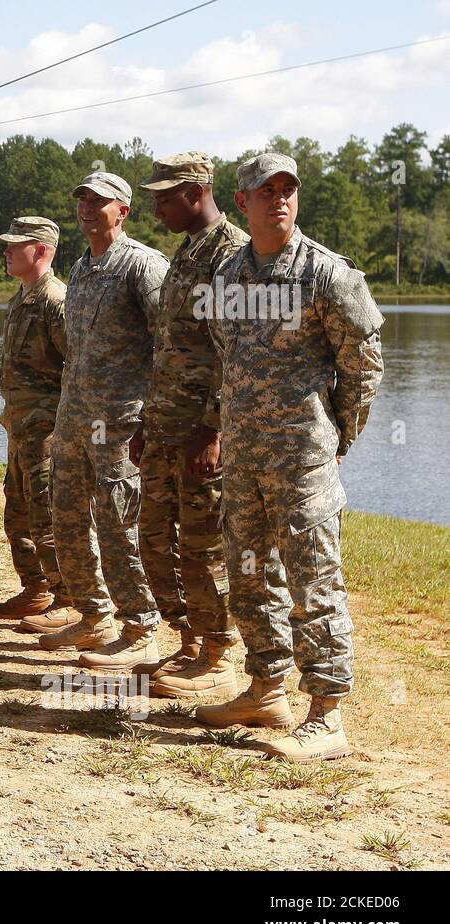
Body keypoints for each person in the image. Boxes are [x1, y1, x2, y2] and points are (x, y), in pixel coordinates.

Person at [196, 153, 383, 762]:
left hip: (303, 457)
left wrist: (338, 438)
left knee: (313, 580)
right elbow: (227, 357)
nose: (279, 199)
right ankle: (265, 689)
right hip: (244, 456)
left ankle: (327, 714)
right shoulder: (226, 275)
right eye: (265, 190)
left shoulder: (327, 274)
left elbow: (363, 362)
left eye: (288, 189)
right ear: (241, 200)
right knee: (250, 575)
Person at [36, 171, 168, 671]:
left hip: (121, 421)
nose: (88, 208)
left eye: (100, 201)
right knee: (66, 514)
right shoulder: (84, 269)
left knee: (118, 522)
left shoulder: (143, 266)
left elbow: (169, 345)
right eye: (83, 200)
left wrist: (154, 415)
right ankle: (95, 615)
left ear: (124, 210)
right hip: (75, 418)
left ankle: (141, 627)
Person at [133, 152, 248, 698]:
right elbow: (170, 348)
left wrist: (214, 428)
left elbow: (236, 352)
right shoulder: (185, 254)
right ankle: (189, 640)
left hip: (201, 430)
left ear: (198, 192)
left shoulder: (232, 255)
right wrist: (144, 423)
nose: (156, 207)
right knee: (155, 537)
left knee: (203, 545)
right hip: (163, 424)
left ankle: (219, 651)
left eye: (164, 197)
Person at [0, 217, 68, 627]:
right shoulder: (22, 299)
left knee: (48, 513)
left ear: (41, 251)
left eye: (15, 245)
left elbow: (75, 368)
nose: (7, 251)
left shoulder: (56, 301)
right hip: (20, 428)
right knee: (18, 513)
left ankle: (66, 597)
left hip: (48, 431)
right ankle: (36, 589)